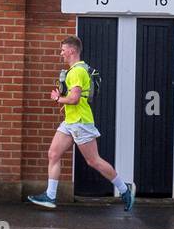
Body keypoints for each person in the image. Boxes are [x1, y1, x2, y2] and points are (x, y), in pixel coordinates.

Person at [27, 35, 135, 211]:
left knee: (94, 161)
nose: (61, 53)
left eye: (63, 50)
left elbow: (75, 99)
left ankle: (124, 189)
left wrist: (58, 99)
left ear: (71, 50)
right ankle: (50, 196)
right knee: (53, 154)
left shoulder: (77, 71)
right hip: (70, 121)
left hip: (80, 122)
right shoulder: (75, 70)